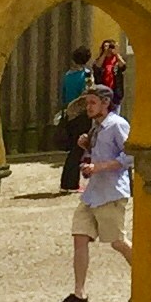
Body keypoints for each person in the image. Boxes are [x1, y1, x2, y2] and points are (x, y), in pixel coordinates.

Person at [57, 83, 130, 302]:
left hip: (111, 193)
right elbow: (98, 152)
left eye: (92, 102)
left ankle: (149, 280)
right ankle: (79, 293)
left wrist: (100, 167)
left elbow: (131, 155)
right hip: (92, 194)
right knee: (79, 237)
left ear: (105, 103)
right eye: (87, 103)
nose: (88, 107)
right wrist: (87, 146)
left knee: (118, 242)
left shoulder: (117, 125)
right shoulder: (96, 127)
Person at [55, 43, 94, 192]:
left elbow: (64, 95)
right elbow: (88, 94)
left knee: (74, 148)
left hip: (69, 114)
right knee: (78, 149)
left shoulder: (67, 75)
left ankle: (69, 182)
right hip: (81, 114)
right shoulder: (86, 75)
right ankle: (70, 183)